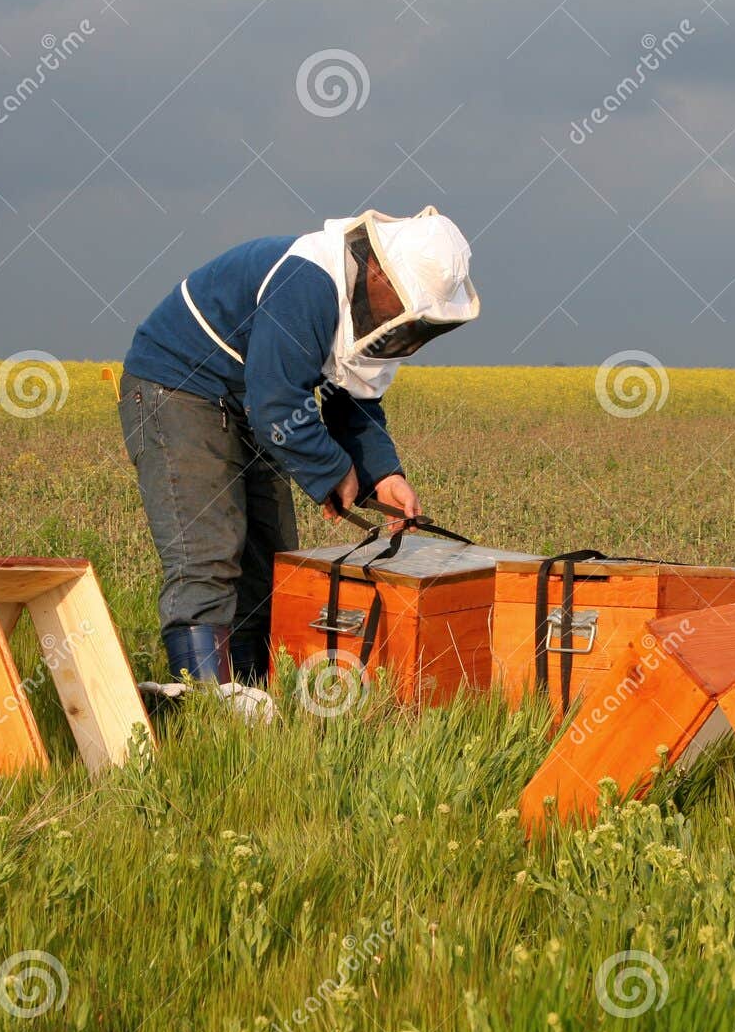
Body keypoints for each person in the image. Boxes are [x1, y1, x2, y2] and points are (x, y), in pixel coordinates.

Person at [118, 206, 480, 688]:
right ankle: (204, 706)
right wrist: (332, 471)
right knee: (207, 553)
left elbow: (350, 399)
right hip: (178, 388)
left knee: (271, 564)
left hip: (244, 399)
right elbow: (276, 404)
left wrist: (382, 476)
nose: (402, 324)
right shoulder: (308, 282)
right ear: (377, 271)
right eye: (405, 305)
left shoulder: (350, 301)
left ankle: (251, 697)